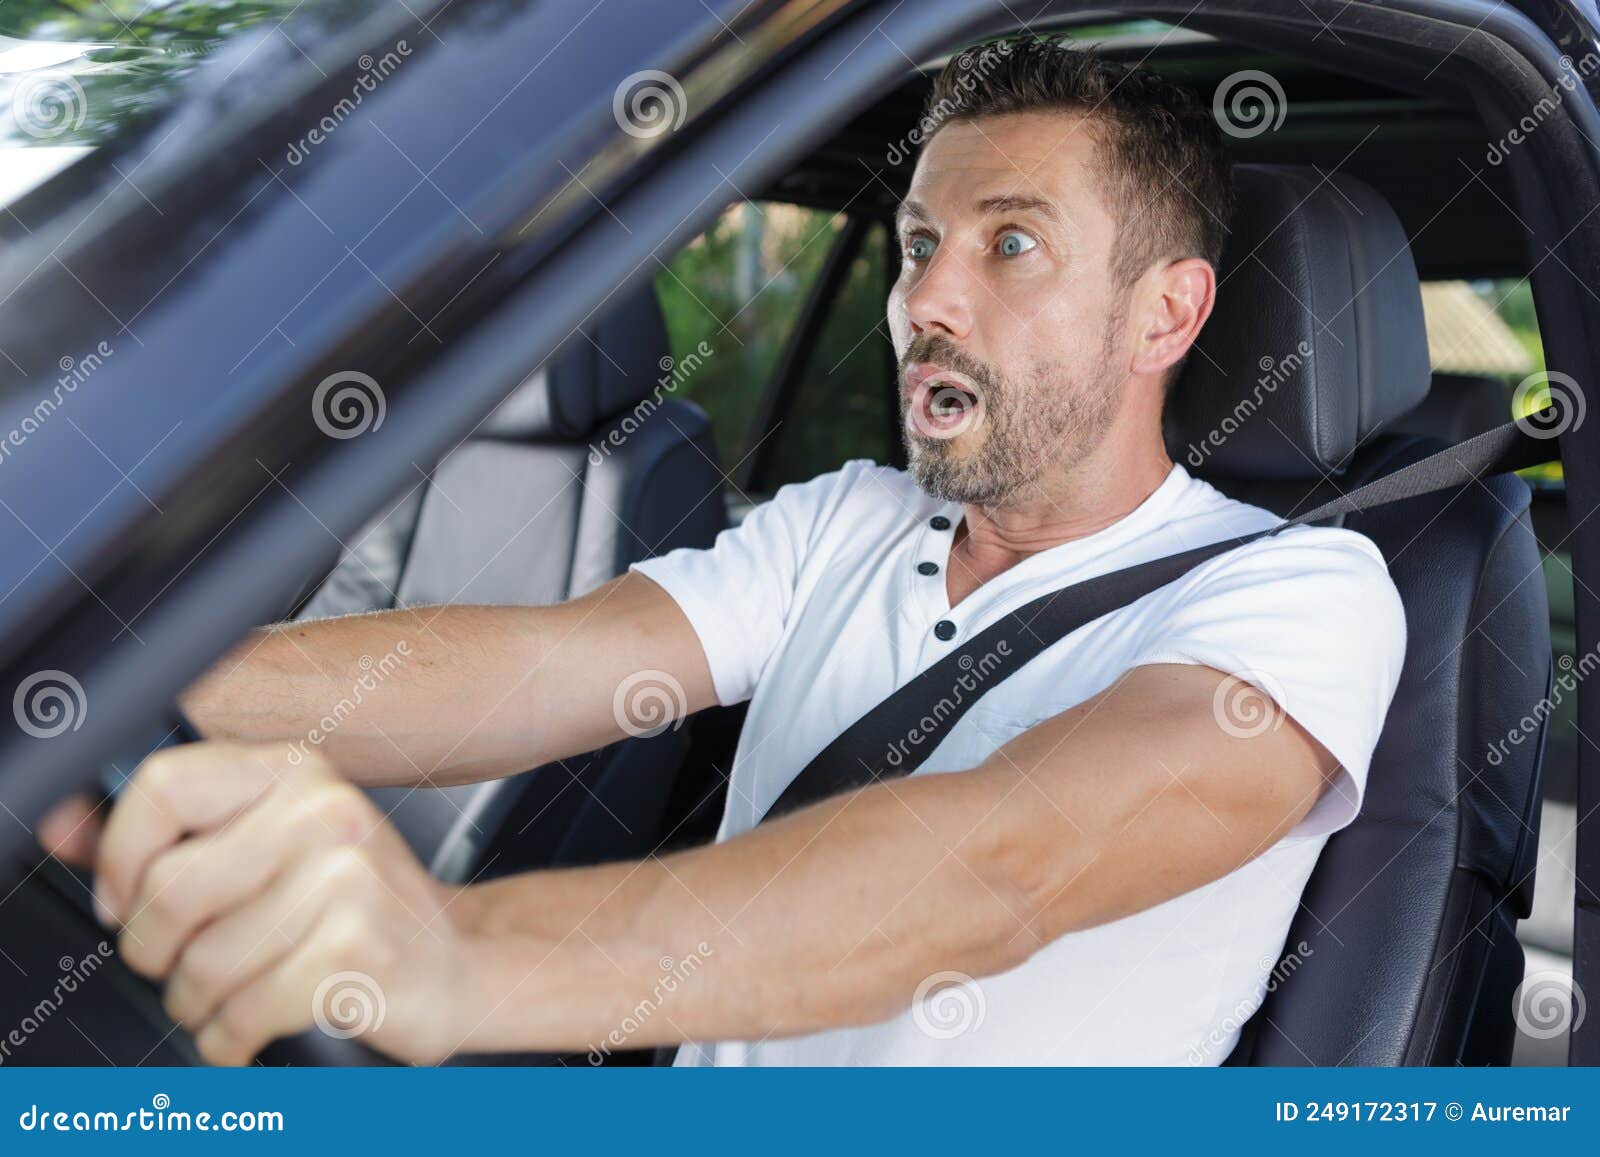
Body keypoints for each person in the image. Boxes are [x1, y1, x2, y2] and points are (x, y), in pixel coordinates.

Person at [39, 36, 1404, 1066]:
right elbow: (532, 669)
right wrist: (75, 700)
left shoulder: (1299, 595)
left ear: (1166, 314)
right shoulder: (846, 520)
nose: (925, 297)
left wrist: (449, 957)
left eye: (1011, 244)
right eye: (919, 242)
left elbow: (1001, 866)